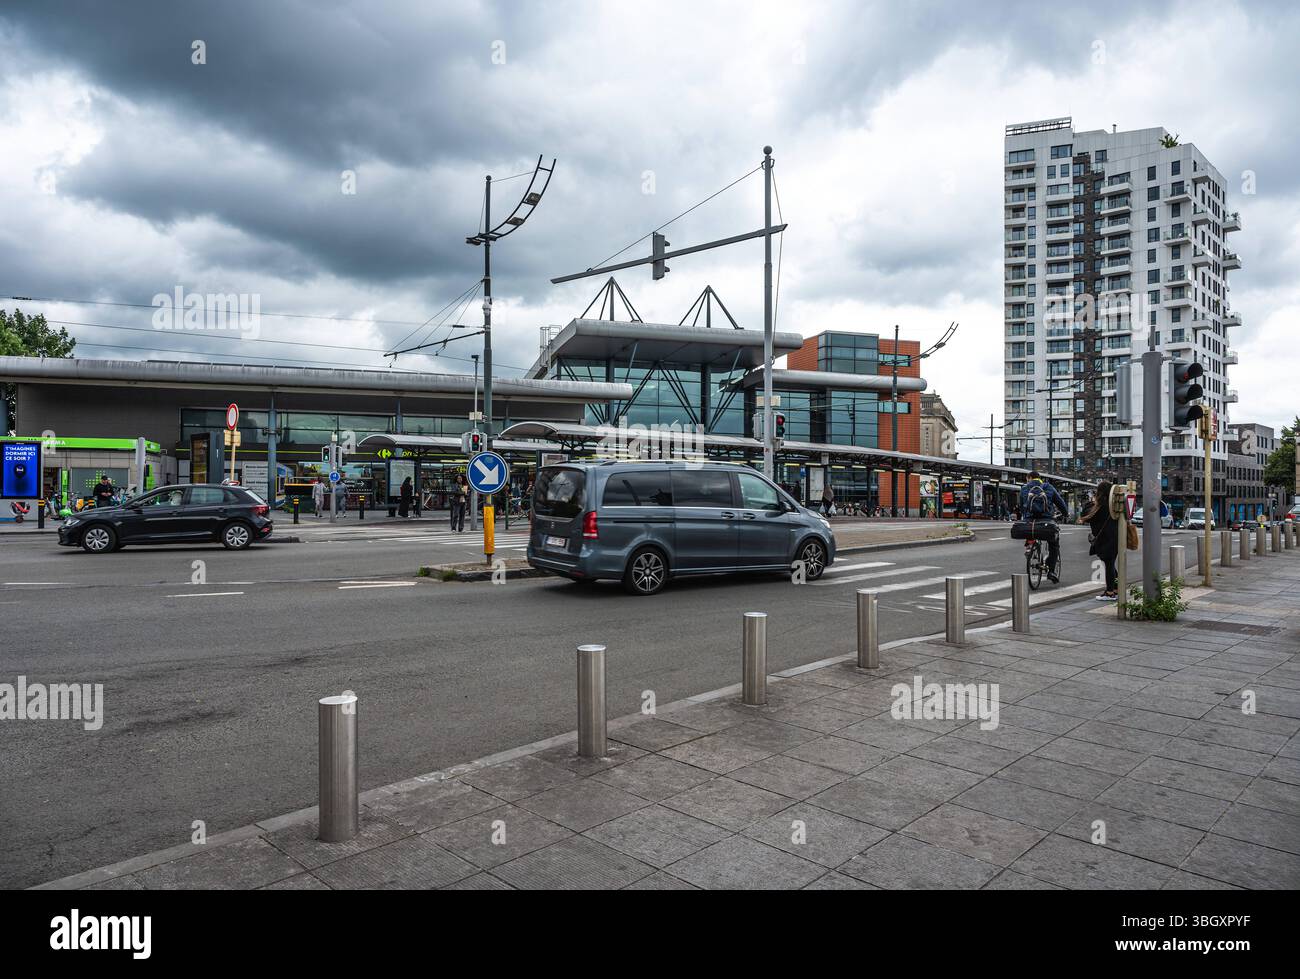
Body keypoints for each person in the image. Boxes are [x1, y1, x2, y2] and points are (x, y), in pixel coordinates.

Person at [1019, 470, 1069, 583]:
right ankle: (1051, 571)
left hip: (1030, 522)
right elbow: (1060, 503)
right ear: (1039, 478)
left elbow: (1022, 507)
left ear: (1029, 478)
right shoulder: (1049, 487)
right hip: (1046, 522)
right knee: (1054, 544)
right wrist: (1065, 514)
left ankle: (1029, 546)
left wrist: (1026, 516)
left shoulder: (1024, 488)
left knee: (1030, 532)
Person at [1082, 481, 1119, 601]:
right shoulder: (1114, 504)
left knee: (1109, 565)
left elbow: (1086, 516)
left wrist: (1091, 501)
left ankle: (1109, 593)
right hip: (1114, 538)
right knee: (1111, 563)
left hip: (1104, 539)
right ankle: (1115, 589)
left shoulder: (1100, 505)